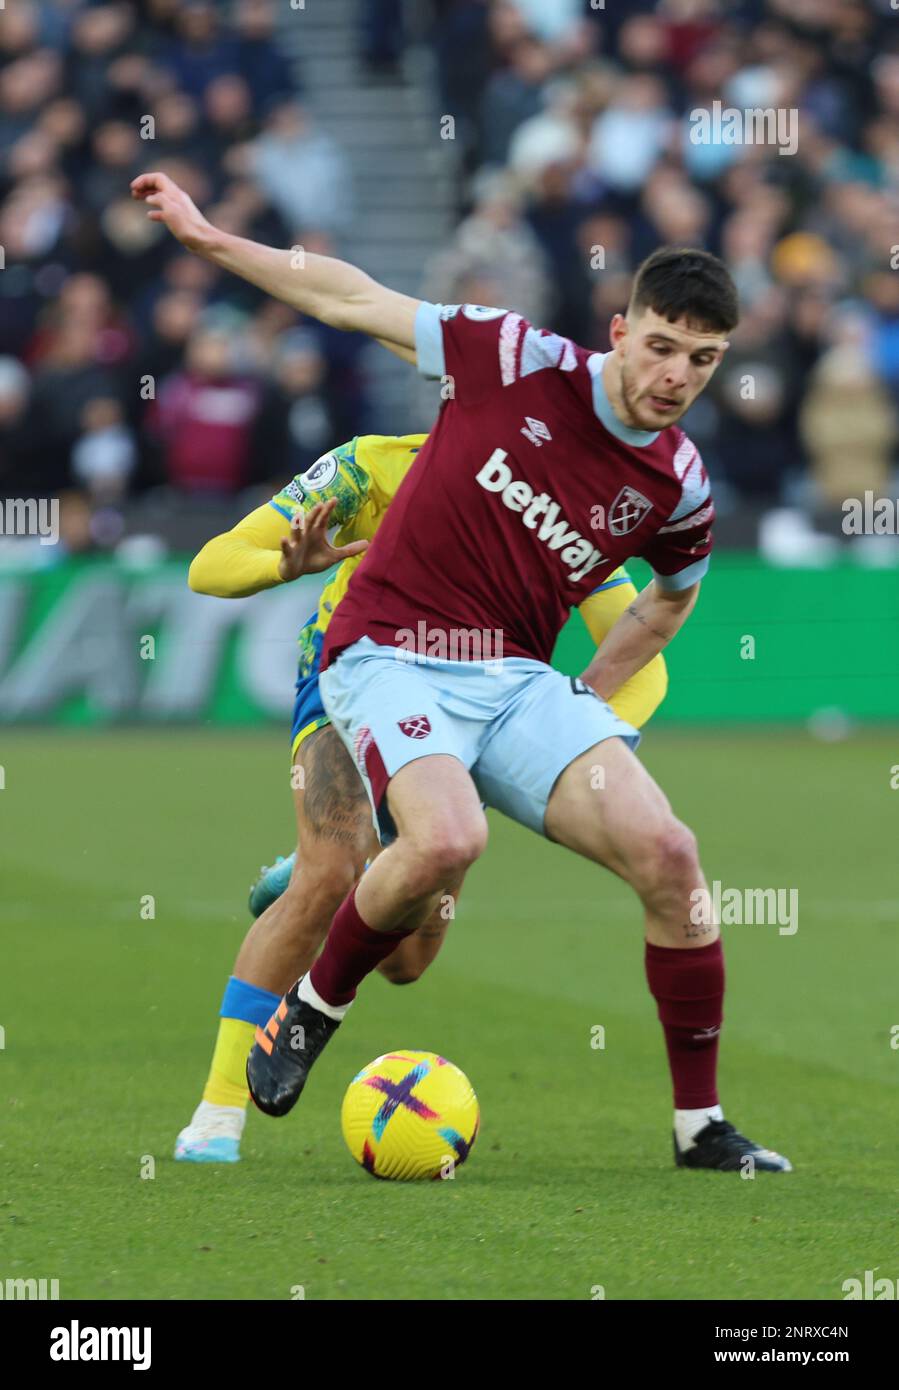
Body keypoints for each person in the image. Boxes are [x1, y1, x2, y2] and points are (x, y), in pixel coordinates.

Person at [132, 169, 791, 1171]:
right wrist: (211, 238)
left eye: (700, 360)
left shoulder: (678, 484)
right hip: (388, 647)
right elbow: (348, 296)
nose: (674, 375)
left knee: (672, 857)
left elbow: (667, 602)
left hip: (515, 681)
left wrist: (581, 700)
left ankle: (698, 1127)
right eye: (660, 345)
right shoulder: (513, 356)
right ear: (620, 329)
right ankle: (306, 1017)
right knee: (446, 841)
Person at [175, 431, 667, 1162]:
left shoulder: (558, 501)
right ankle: (217, 1113)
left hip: (472, 714)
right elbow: (210, 565)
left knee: (405, 963)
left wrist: (557, 749)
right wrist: (280, 565)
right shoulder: (373, 465)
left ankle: (365, 861)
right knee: (328, 873)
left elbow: (643, 670)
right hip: (352, 678)